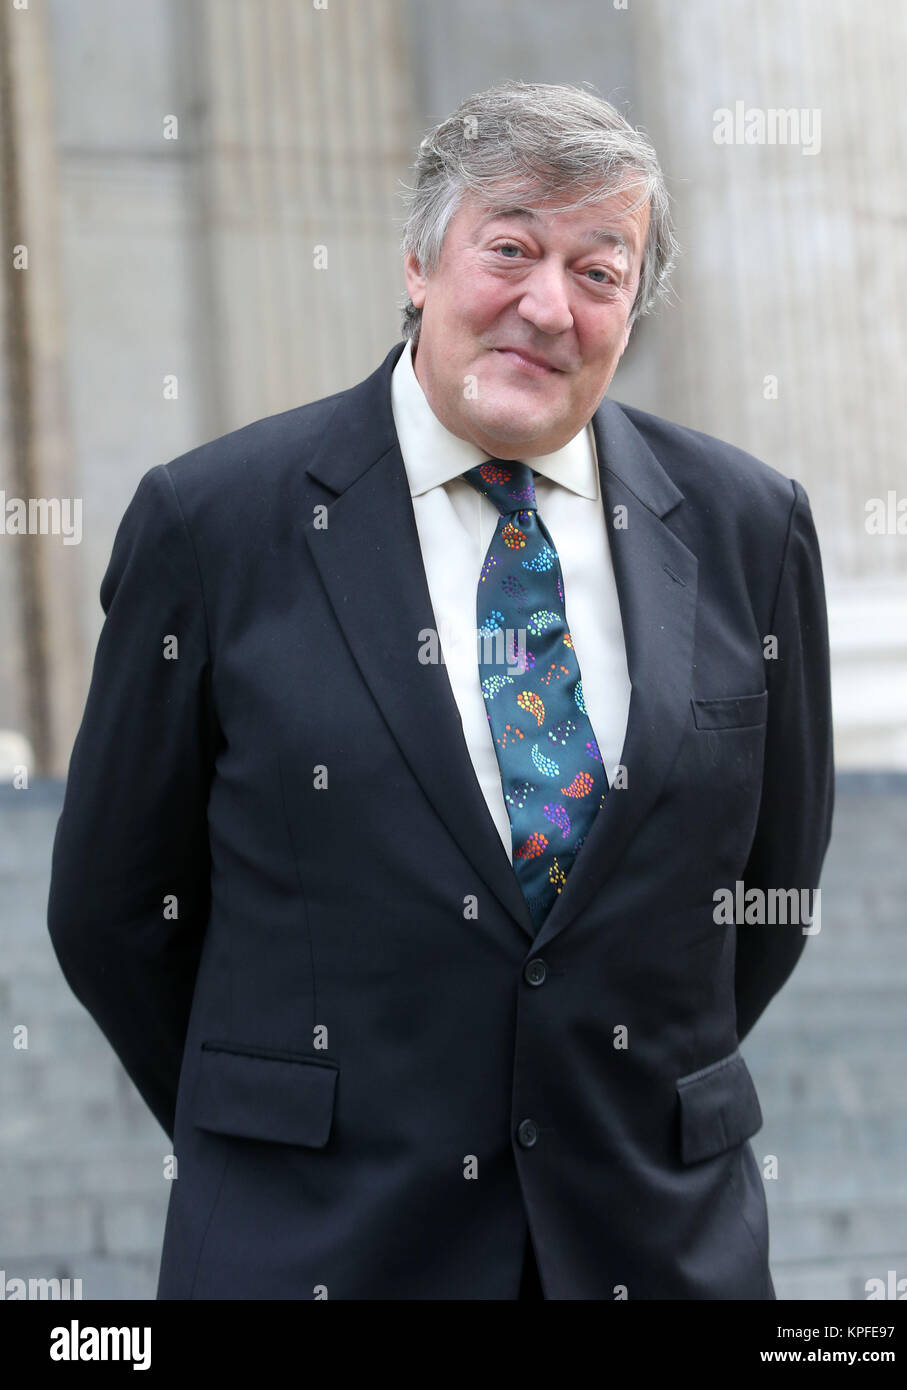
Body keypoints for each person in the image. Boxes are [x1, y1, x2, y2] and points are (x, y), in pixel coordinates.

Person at [47, 80, 834, 1300]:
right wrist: (271, 1127)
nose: (546, 305)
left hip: (655, 1244)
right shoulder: (214, 524)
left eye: (599, 270)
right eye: (510, 247)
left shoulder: (748, 527)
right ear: (418, 262)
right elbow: (112, 909)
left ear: (633, 309)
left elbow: (772, 884)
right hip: (318, 1243)